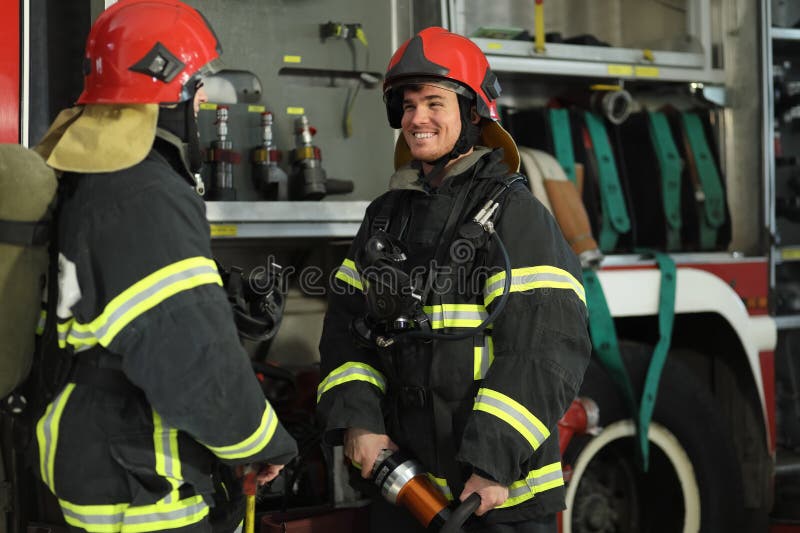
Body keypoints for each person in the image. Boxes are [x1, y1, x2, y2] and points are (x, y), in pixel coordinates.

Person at [31, 1, 297, 531]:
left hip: (92, 460)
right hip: (141, 488)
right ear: (170, 89)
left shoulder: (88, 175)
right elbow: (194, 363)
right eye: (198, 92)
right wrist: (264, 442)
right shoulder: (143, 192)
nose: (201, 107)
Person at [317, 26, 591, 532]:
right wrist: (361, 422)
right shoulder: (385, 216)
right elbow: (346, 331)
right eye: (407, 105)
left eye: (434, 103)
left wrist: (492, 464)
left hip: (496, 499)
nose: (417, 118)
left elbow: (543, 352)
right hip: (406, 491)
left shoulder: (515, 216)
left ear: (472, 114)